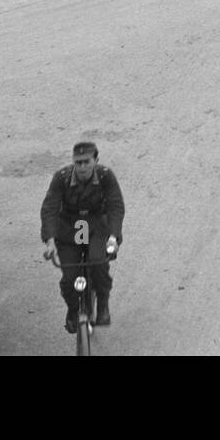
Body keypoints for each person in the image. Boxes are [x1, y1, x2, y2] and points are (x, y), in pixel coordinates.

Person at [41, 141, 125, 332]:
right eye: (78, 163)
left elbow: (115, 206)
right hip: (69, 229)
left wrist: (114, 236)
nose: (82, 167)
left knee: (99, 263)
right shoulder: (61, 178)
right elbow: (50, 208)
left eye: (87, 162)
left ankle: (102, 304)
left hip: (96, 227)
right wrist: (50, 241)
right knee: (69, 277)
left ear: (96, 160)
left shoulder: (106, 176)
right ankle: (73, 310)